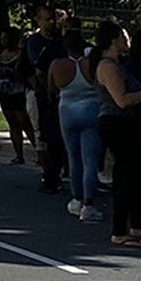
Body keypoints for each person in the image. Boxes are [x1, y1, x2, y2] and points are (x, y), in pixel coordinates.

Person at [94, 24, 141, 246]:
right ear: (114, 40)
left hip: (130, 123)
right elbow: (122, 100)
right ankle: (119, 230)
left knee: (137, 174)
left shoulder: (120, 64)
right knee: (124, 175)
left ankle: (137, 225)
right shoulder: (107, 66)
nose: (128, 41)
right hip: (116, 123)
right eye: (124, 37)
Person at [51, 28, 105, 222]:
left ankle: (76, 199)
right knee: (90, 160)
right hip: (91, 110)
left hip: (67, 110)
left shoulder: (57, 65)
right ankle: (88, 204)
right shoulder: (90, 63)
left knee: (74, 158)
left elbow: (51, 88)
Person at [25, 7, 66, 194]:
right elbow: (38, 68)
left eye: (53, 20)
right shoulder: (35, 42)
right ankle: (48, 173)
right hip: (43, 94)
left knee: (59, 136)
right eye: (47, 20)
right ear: (38, 21)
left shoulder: (60, 41)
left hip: (63, 93)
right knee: (45, 135)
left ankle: (57, 171)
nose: (51, 23)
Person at [0, 28, 35, 164]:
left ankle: (39, 153)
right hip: (5, 93)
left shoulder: (20, 55)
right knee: (13, 124)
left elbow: (25, 74)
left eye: (6, 38)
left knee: (25, 123)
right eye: (2, 39)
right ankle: (19, 155)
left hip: (18, 92)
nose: (3, 41)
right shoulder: (1, 55)